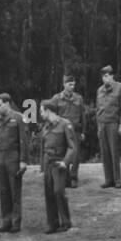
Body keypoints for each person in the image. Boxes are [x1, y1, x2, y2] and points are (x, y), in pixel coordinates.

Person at [40, 99, 77, 233]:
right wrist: (42, 168)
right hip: (48, 164)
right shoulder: (46, 126)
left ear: (49, 111)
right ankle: (53, 223)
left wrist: (65, 162)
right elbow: (43, 148)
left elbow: (72, 147)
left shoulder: (65, 124)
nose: (40, 114)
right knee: (49, 193)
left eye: (42, 111)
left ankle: (66, 222)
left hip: (59, 164)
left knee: (59, 192)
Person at [0, 93, 26, 233]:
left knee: (14, 191)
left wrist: (23, 160)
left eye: (0, 105)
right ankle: (6, 221)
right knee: (3, 191)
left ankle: (16, 222)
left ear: (7, 104)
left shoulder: (18, 117)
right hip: (1, 157)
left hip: (13, 157)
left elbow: (23, 140)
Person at [95, 66, 121, 188]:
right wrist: (98, 126)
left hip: (113, 123)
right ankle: (108, 180)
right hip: (102, 124)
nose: (106, 78)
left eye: (108, 75)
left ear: (112, 76)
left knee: (114, 152)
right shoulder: (99, 90)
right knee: (105, 153)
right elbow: (98, 109)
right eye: (104, 76)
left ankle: (117, 180)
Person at [51, 76, 85, 186]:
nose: (72, 87)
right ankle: (64, 177)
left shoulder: (79, 98)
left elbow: (82, 116)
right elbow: (53, 116)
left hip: (75, 130)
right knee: (63, 153)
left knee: (75, 154)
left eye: (73, 84)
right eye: (70, 84)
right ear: (64, 84)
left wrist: (83, 131)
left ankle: (73, 177)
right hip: (62, 131)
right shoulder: (56, 98)